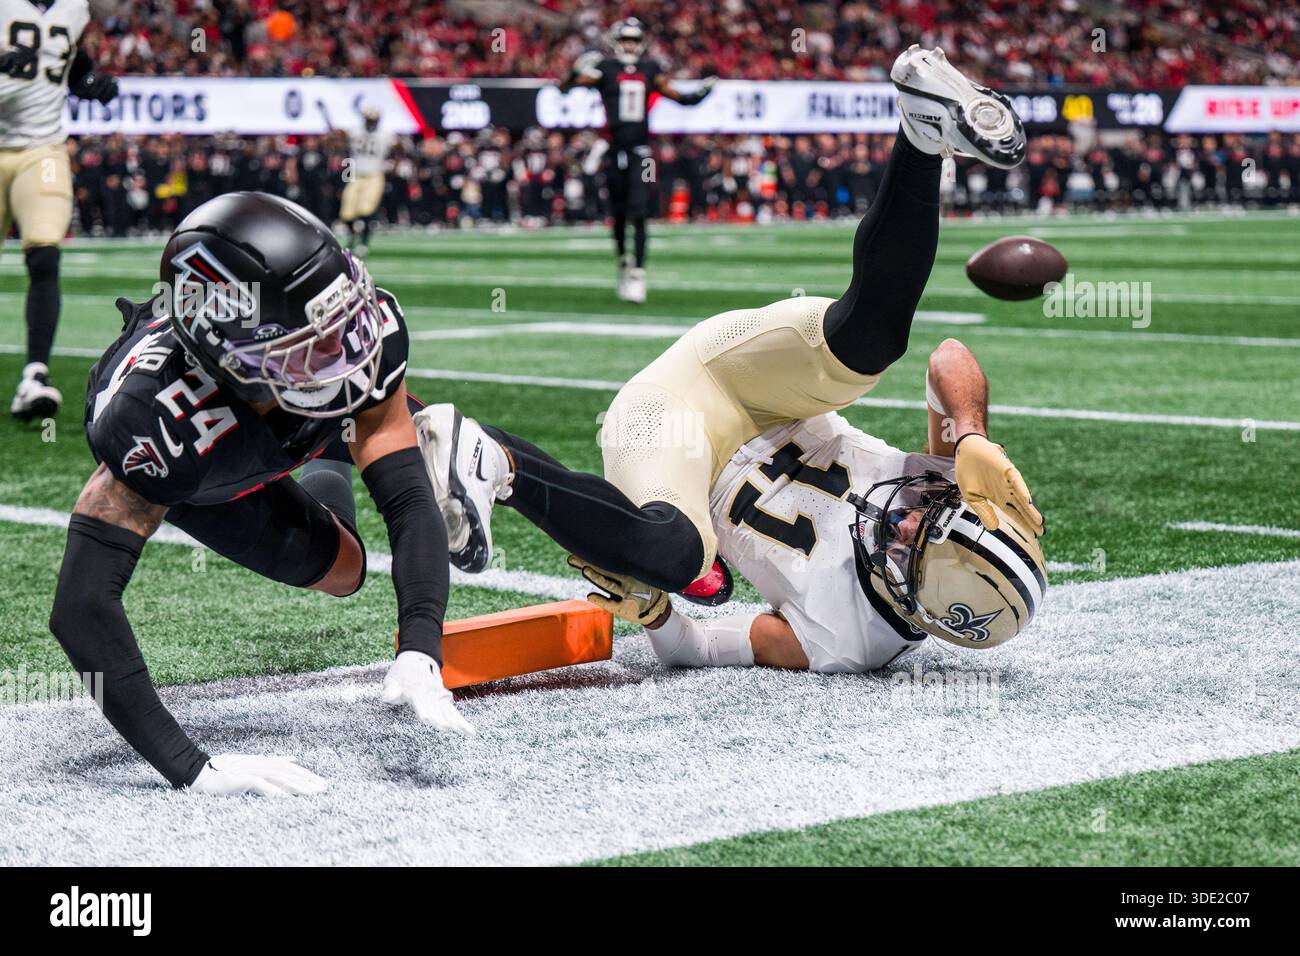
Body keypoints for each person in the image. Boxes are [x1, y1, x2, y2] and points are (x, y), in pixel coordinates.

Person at [418, 47, 1046, 670]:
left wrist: (659, 618)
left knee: (679, 558)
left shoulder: (849, 643)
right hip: (749, 382)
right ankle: (920, 131)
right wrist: (970, 437)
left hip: (679, 432)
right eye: (931, 518)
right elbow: (950, 358)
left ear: (922, 607)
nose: (911, 520)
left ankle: (485, 456)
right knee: (871, 344)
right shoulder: (945, 494)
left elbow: (697, 647)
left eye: (914, 547)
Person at [49, 192, 470, 797]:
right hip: (210, 462)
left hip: (270, 402)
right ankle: (334, 439)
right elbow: (79, 609)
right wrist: (190, 768)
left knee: (353, 525)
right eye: (311, 346)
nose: (346, 353)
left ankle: (350, 439)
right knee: (341, 569)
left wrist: (421, 648)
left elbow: (408, 502)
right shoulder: (158, 425)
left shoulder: (343, 341)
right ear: (230, 351)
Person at [1, 0, 118, 421]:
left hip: (42, 148)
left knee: (45, 254)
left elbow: (71, 68)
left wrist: (91, 83)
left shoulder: (74, 9)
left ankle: (35, 375)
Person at [560, 17, 716, 303]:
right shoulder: (604, 69)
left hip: (641, 151)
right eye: (625, 40)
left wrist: (701, 94)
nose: (630, 45)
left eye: (634, 40)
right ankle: (623, 261)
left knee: (641, 211)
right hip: (613, 149)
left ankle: (639, 273)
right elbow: (565, 87)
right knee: (618, 213)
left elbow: (680, 97)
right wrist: (575, 70)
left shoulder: (649, 69)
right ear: (616, 42)